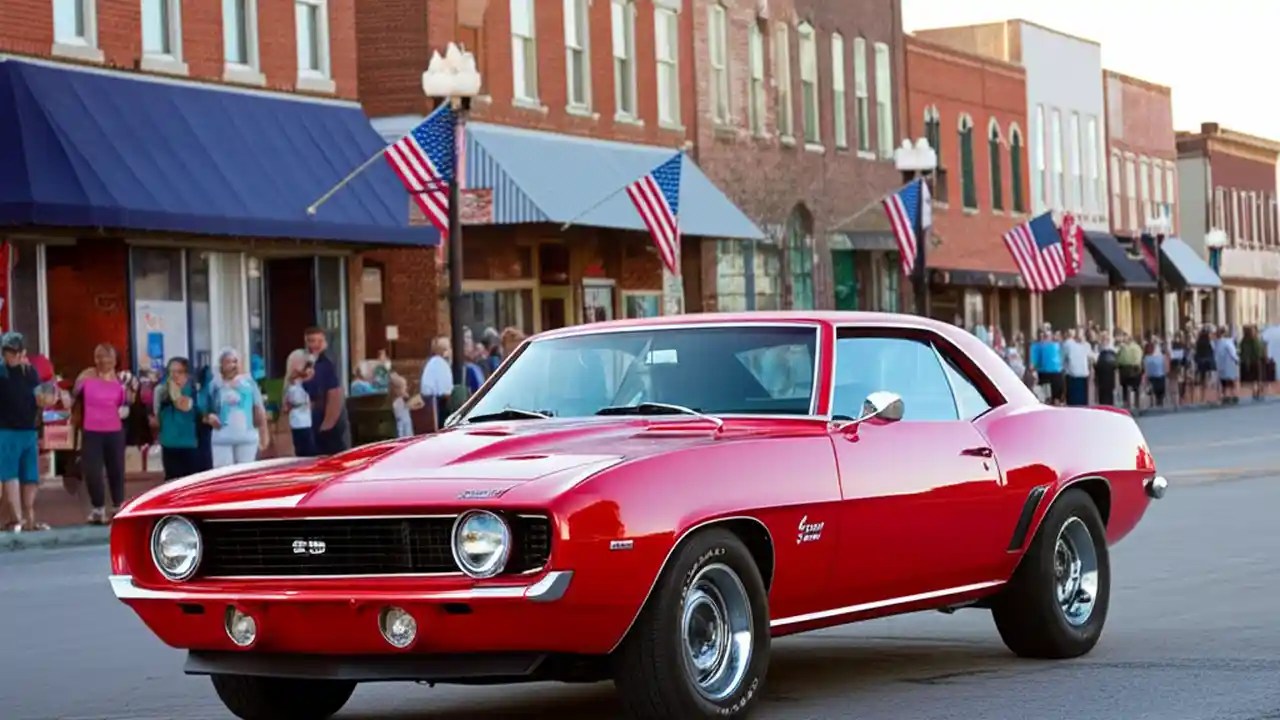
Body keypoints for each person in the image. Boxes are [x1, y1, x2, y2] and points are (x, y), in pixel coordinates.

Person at [1, 332, 57, 532]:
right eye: (7, 352)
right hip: (7, 429)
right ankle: (17, 518)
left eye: (14, 352)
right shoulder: (1, 372)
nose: (11, 356)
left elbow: (42, 396)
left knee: (30, 475)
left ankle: (29, 514)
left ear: (22, 352)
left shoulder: (30, 372)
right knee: (10, 474)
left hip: (28, 429)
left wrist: (47, 399)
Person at [74, 344, 132, 525]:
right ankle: (98, 508)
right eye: (99, 356)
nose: (103, 361)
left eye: (108, 357)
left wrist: (130, 388)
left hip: (114, 430)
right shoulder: (87, 376)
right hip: (91, 430)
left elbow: (128, 402)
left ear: (115, 360)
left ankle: (117, 507)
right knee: (92, 471)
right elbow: (74, 395)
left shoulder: (121, 379)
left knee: (116, 469)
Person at [205, 348, 268, 468]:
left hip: (246, 437)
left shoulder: (249, 383)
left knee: (245, 475)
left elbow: (258, 408)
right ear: (221, 365)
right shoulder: (214, 385)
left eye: (235, 361)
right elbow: (207, 408)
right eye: (228, 362)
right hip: (222, 438)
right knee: (223, 475)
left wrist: (264, 434)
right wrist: (210, 417)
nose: (232, 365)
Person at [302, 327, 351, 455]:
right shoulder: (308, 363)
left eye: (319, 341)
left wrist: (327, 425)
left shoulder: (328, 363)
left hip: (328, 420)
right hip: (312, 417)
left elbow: (335, 395)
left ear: (325, 343)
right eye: (311, 341)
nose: (315, 345)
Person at [153, 357, 201, 481]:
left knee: (190, 484)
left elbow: (184, 406)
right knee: (172, 483)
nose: (174, 375)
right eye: (171, 372)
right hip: (169, 443)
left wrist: (176, 394)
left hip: (190, 444)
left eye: (178, 372)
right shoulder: (161, 391)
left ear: (187, 374)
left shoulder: (194, 390)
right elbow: (156, 417)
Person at [284, 349, 317, 458]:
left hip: (309, 420)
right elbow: (291, 401)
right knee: (302, 448)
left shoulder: (309, 380)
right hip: (299, 421)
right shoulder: (293, 383)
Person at [420, 336, 455, 428]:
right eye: (449, 348)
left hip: (431, 404)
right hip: (439, 406)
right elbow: (446, 393)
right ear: (445, 351)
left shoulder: (433, 363)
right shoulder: (440, 364)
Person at [1029, 329, 1064, 404]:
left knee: (1056, 398)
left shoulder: (1057, 345)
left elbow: (1061, 357)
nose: (1046, 338)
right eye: (1045, 336)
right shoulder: (1037, 346)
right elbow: (1033, 361)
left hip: (1056, 373)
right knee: (1046, 398)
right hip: (1044, 374)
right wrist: (1033, 370)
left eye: (1047, 336)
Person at [1061, 328, 1094, 406]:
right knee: (1072, 401)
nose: (1080, 336)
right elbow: (1062, 357)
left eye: (1082, 334)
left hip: (1083, 376)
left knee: (1082, 402)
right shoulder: (1068, 344)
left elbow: (1090, 358)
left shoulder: (1087, 345)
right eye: (1078, 333)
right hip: (1072, 376)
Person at [1239, 325, 1265, 400]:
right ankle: (1258, 390)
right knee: (1258, 377)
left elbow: (1241, 350)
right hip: (1256, 361)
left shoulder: (1243, 341)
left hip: (1247, 362)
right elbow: (1258, 351)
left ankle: (1255, 390)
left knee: (1254, 378)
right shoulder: (1255, 340)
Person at [1094, 332, 1118, 406]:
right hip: (1101, 374)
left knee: (1109, 392)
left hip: (1110, 374)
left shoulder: (1113, 350)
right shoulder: (1097, 349)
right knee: (1102, 393)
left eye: (1106, 339)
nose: (1105, 340)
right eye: (1103, 338)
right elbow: (1094, 361)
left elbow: (1115, 363)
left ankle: (1110, 406)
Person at [1142, 341, 1167, 408]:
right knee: (1160, 395)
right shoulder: (1161, 357)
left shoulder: (1146, 358)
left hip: (1152, 378)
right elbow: (1164, 367)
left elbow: (1146, 370)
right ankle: (1160, 404)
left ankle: (1153, 404)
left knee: (1153, 393)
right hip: (1160, 377)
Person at [389, 373, 415, 439]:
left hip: (405, 424)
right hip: (402, 427)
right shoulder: (397, 402)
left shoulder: (400, 400)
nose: (406, 388)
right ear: (396, 390)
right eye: (404, 387)